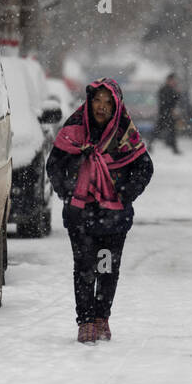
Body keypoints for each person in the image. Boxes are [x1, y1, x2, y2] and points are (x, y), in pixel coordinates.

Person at [47, 78, 154, 343]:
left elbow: (144, 168)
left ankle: (100, 317)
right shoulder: (74, 129)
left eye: (108, 102)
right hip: (80, 216)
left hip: (112, 220)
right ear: (89, 101)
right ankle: (84, 321)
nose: (102, 107)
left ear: (117, 105)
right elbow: (54, 165)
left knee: (105, 267)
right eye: (97, 100)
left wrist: (124, 194)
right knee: (84, 267)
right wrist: (68, 192)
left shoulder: (125, 134)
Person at [153, 73, 184, 154]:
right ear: (169, 80)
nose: (174, 82)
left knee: (172, 131)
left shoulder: (172, 89)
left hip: (169, 114)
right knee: (157, 131)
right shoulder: (164, 89)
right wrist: (171, 109)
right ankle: (149, 145)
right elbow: (165, 102)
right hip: (164, 114)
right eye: (173, 80)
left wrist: (177, 93)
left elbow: (176, 100)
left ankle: (174, 148)